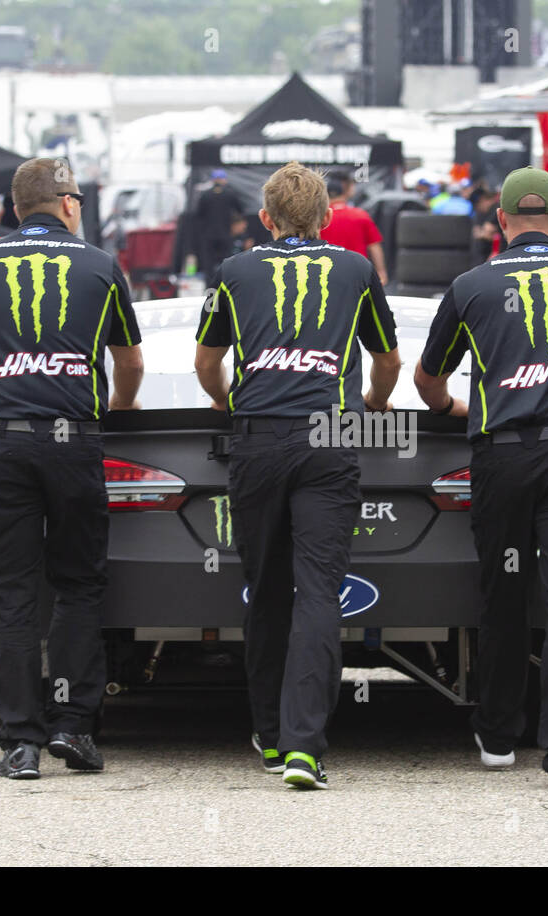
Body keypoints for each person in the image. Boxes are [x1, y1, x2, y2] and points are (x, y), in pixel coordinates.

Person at [194, 161, 399, 791]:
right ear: (330, 216)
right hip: (328, 435)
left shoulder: (234, 271)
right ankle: (305, 746)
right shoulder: (357, 269)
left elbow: (207, 362)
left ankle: (268, 733)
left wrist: (229, 403)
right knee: (319, 592)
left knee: (265, 589)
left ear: (265, 219)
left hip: (256, 439)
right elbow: (387, 361)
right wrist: (373, 403)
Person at [414, 166, 548, 788]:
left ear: (500, 221)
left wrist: (461, 410)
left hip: (502, 455)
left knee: (502, 591)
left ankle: (497, 734)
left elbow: (429, 380)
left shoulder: (472, 284)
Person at [0, 157, 144, 779]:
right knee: (77, 584)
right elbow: (130, 362)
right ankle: (72, 725)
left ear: (16, 209)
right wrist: (118, 408)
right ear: (67, 203)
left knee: (10, 592)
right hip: (74, 441)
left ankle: (19, 742)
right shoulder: (99, 264)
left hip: (2, 441)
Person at [319, 172, 388, 285]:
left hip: (326, 274)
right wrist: (381, 272)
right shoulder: (361, 215)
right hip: (358, 274)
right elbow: (374, 246)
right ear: (347, 190)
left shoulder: (319, 217)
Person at [194, 169, 244, 282]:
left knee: (208, 264)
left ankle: (209, 289)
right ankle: (225, 285)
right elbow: (240, 210)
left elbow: (199, 215)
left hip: (208, 235)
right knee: (226, 262)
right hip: (225, 234)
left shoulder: (205, 195)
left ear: (213, 180)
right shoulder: (230, 194)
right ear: (224, 180)